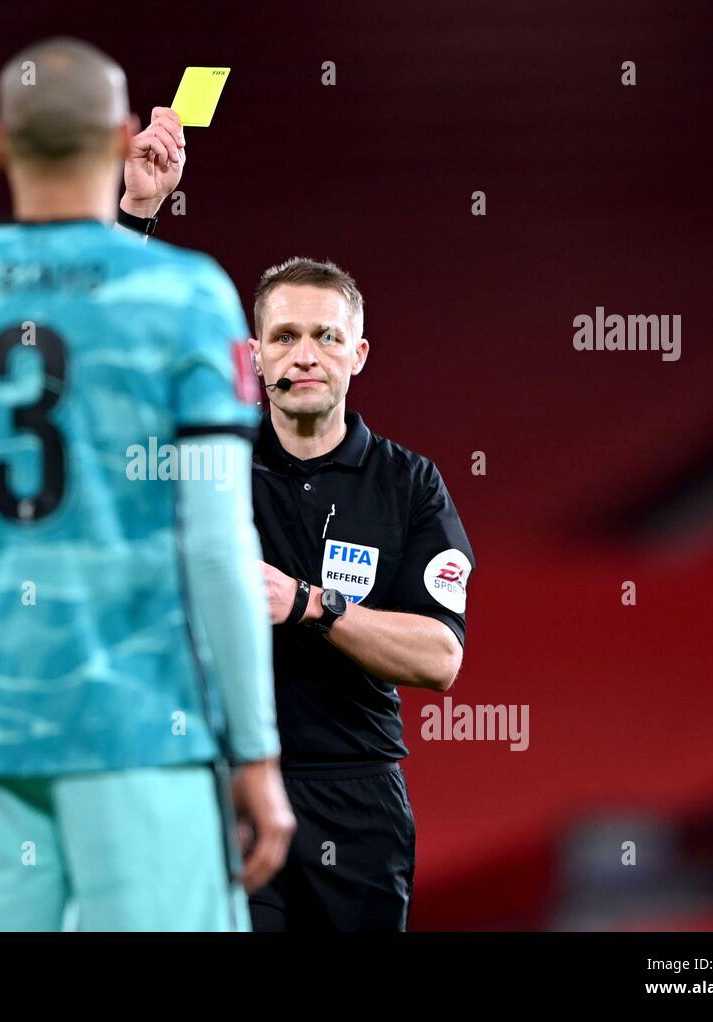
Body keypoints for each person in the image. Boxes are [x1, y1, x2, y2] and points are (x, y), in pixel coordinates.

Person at [0, 39, 293, 932]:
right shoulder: (189, 299)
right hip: (149, 737)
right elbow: (218, 543)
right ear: (124, 135)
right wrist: (255, 752)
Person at [117, 124, 476, 932]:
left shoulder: (410, 484)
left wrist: (314, 604)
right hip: (225, 781)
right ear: (254, 355)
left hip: (359, 796)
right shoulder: (208, 462)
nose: (305, 354)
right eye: (285, 336)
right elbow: (110, 360)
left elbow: (441, 659)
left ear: (359, 355)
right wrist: (139, 209)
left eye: (326, 337)